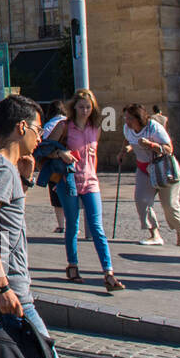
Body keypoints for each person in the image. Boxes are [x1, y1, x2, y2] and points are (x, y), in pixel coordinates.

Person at [0, 94, 64, 358]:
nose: (40, 138)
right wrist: (1, 288)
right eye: (38, 130)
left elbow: (5, 219)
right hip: (7, 291)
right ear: (21, 127)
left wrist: (24, 181)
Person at [52, 90, 124, 291]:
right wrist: (61, 152)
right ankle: (72, 266)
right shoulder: (64, 127)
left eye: (88, 107)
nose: (85, 110)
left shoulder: (95, 128)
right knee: (73, 226)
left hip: (91, 181)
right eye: (81, 106)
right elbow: (45, 148)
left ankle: (108, 273)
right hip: (69, 181)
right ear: (74, 106)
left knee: (97, 227)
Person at [123, 103, 180, 247]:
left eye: (130, 118)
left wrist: (151, 145)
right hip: (143, 170)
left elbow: (169, 149)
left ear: (138, 118)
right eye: (125, 118)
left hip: (164, 169)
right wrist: (124, 151)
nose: (127, 121)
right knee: (142, 200)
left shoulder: (154, 128)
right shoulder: (127, 128)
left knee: (169, 204)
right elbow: (128, 140)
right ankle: (154, 234)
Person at [40, 101, 67, 234]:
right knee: (71, 193)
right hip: (70, 164)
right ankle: (74, 223)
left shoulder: (50, 124)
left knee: (56, 195)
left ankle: (62, 225)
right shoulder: (69, 122)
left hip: (55, 163)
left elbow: (44, 145)